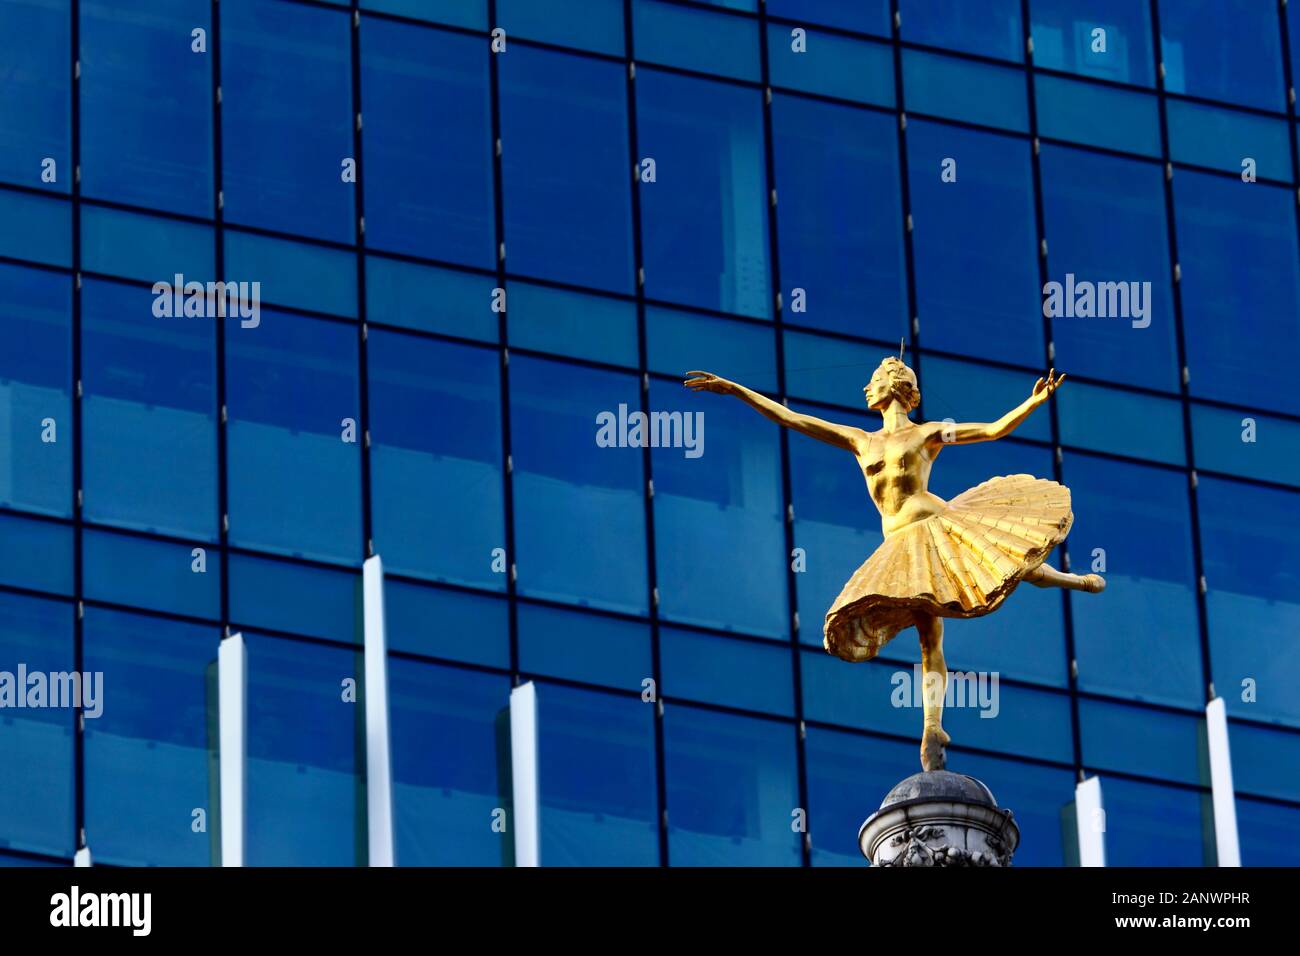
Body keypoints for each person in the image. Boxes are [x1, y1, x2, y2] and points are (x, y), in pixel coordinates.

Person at [684, 357, 1103, 771]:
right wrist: (736, 389)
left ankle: (1071, 579)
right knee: (928, 635)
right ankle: (932, 727)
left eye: (874, 381)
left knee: (1003, 559)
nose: (866, 389)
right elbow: (792, 419)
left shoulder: (927, 435)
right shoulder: (859, 440)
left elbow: (992, 430)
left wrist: (1034, 402)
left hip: (934, 523)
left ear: (895, 386)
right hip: (900, 543)